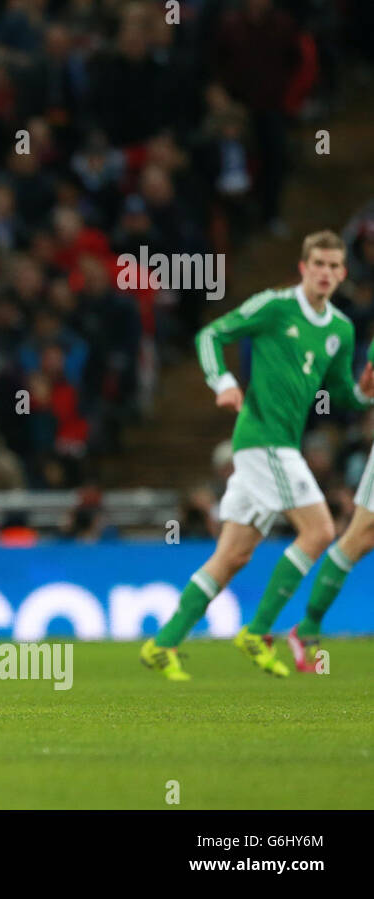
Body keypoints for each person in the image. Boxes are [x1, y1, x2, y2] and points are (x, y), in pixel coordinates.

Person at [142, 230, 374, 680]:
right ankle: (258, 631)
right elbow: (211, 333)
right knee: (320, 529)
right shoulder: (274, 306)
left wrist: (364, 394)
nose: (325, 273)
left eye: (333, 266)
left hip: (281, 442)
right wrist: (223, 382)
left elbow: (341, 393)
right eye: (318, 264)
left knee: (233, 555)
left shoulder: (340, 330)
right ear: (303, 268)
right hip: (263, 439)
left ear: (343, 273)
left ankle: (163, 643)